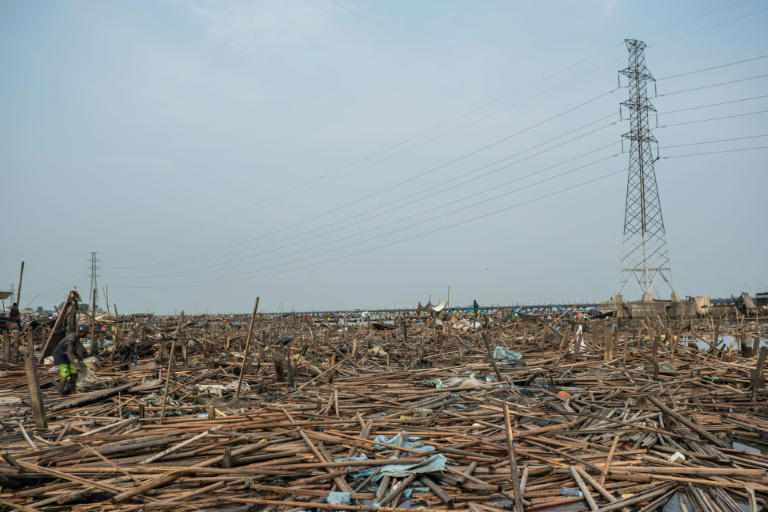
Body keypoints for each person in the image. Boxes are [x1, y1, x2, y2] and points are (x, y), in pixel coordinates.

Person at [53, 327, 88, 396]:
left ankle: (73, 392)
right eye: (86, 333)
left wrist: (79, 357)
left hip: (66, 356)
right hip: (60, 356)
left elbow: (73, 351)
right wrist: (76, 365)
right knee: (65, 375)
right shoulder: (71, 338)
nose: (86, 334)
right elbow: (69, 353)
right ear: (81, 332)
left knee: (74, 374)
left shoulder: (76, 337)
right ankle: (60, 395)